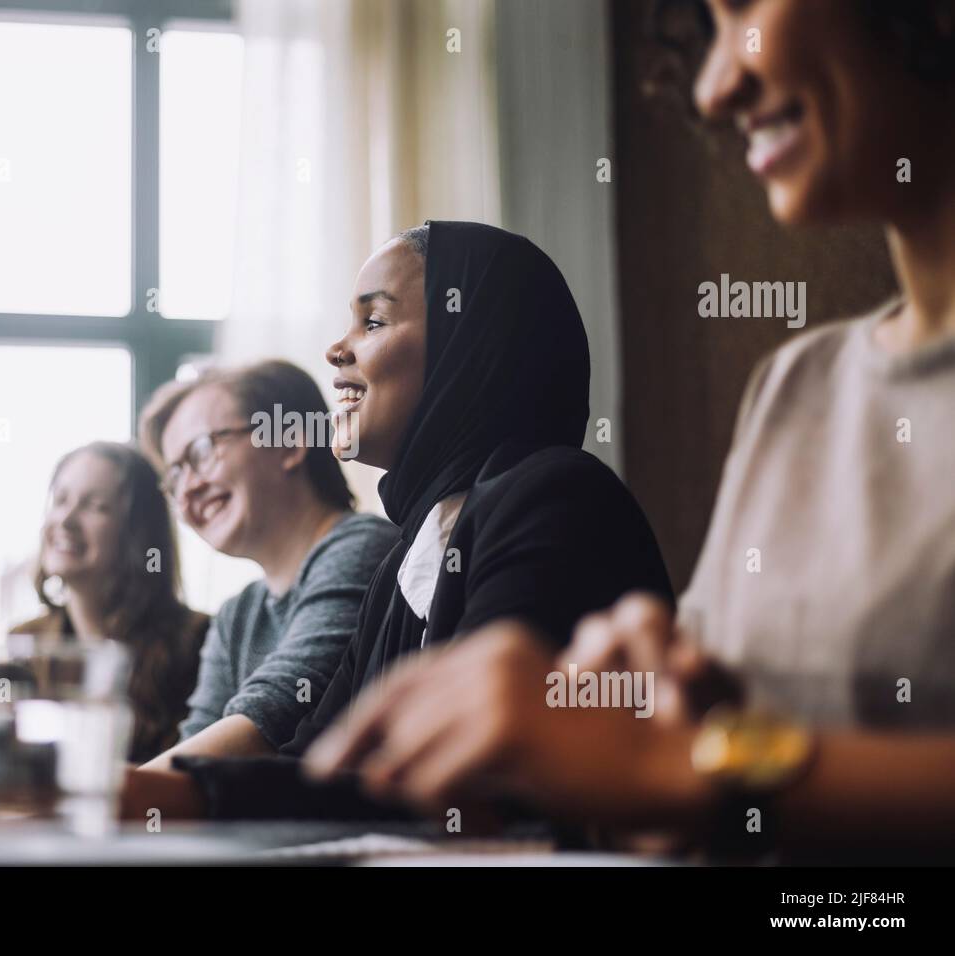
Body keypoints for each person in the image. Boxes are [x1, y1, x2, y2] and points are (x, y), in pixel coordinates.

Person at [306, 0, 955, 859]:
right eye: (711, 29)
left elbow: (698, 770)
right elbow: (696, 741)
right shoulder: (799, 386)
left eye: (748, 10)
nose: (717, 87)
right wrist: (642, 706)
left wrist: (699, 771)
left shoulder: (545, 497)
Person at [120, 221, 674, 821]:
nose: (337, 349)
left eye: (374, 322)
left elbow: (468, 777)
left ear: (472, 344)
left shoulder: (553, 496)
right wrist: (153, 794)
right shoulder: (404, 562)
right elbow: (315, 761)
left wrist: (170, 795)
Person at [0, 441, 208, 814]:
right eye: (60, 500)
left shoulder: (197, 640)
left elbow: (190, 787)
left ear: (137, 533)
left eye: (94, 506)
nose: (65, 519)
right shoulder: (24, 643)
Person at [136, 360, 399, 767]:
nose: (187, 489)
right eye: (174, 476)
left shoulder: (364, 546)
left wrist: (105, 799)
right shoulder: (236, 615)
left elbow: (272, 717)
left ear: (290, 441)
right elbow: (194, 750)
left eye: (201, 453)